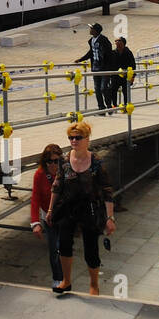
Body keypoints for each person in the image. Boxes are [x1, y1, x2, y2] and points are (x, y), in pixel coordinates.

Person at [46, 121, 115, 296]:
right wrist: (50, 210)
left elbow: (106, 189)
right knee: (64, 244)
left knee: (91, 247)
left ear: (87, 139)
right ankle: (66, 281)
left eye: (78, 137)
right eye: (71, 138)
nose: (74, 141)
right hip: (68, 207)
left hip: (90, 208)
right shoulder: (65, 160)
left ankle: (94, 285)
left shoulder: (96, 161)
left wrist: (110, 217)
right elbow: (57, 185)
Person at [30, 144, 64, 289]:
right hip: (48, 217)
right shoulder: (40, 175)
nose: (53, 165)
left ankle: (64, 278)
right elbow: (35, 198)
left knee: (62, 247)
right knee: (53, 249)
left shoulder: (66, 172)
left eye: (56, 161)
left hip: (64, 215)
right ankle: (57, 278)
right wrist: (35, 222)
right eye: (49, 161)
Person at [75, 23, 114, 110]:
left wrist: (109, 67)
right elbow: (91, 52)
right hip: (95, 68)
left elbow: (109, 53)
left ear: (95, 31)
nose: (90, 30)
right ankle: (101, 108)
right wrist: (80, 59)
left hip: (104, 69)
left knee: (103, 88)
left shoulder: (104, 40)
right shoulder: (91, 40)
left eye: (91, 28)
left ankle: (109, 106)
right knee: (97, 89)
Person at [113, 36, 136, 107]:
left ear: (123, 43)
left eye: (118, 40)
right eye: (116, 41)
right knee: (113, 90)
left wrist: (132, 76)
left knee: (125, 91)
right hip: (116, 75)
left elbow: (133, 65)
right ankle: (114, 105)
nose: (116, 42)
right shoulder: (113, 52)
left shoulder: (128, 52)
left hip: (126, 75)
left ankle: (127, 105)